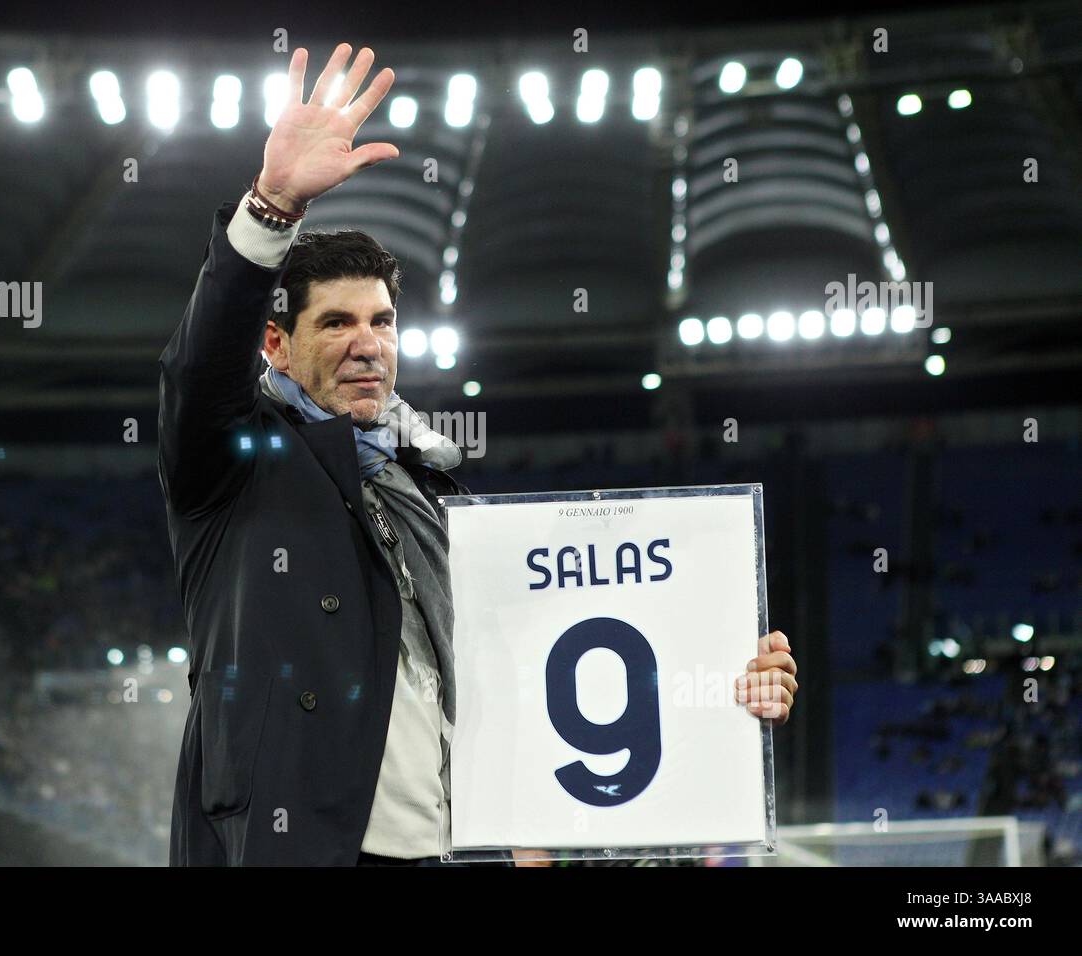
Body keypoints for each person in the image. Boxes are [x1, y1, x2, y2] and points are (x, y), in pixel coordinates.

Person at [158, 42, 798, 867]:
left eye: (382, 321)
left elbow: (547, 660)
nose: (367, 345)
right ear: (275, 345)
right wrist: (272, 206)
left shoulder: (434, 489)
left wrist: (718, 685)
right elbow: (197, 369)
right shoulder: (235, 462)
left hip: (454, 850)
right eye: (336, 323)